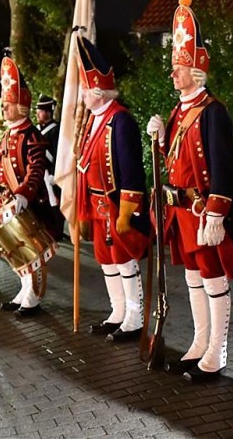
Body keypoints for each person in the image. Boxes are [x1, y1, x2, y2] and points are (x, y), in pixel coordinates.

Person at [145, 0, 233, 382]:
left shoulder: (213, 111)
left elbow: (222, 166)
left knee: (212, 278)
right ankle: (199, 341)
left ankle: (217, 352)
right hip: (180, 212)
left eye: (178, 68)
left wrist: (219, 212)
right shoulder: (179, 110)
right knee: (192, 276)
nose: (172, 75)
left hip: (203, 212)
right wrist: (157, 141)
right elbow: (174, 159)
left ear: (196, 71)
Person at [75, 35, 151, 341]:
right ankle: (117, 311)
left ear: (97, 90)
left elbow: (132, 170)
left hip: (116, 206)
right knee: (106, 261)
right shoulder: (94, 119)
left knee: (124, 260)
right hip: (96, 205)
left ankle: (134, 316)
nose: (81, 94)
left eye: (84, 89)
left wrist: (128, 211)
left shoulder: (120, 121)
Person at [0, 52, 56, 318]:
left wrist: (23, 194)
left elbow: (36, 169)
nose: (3, 109)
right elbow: (0, 168)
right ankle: (23, 290)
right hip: (10, 201)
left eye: (7, 105)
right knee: (15, 250)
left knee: (31, 251)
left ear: (21, 106)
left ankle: (33, 296)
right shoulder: (9, 134)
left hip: (30, 203)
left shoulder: (32, 134)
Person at [35, 94, 64, 238]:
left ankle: (57, 231)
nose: (37, 114)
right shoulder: (36, 130)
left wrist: (54, 173)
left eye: (40, 111)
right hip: (39, 174)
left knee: (55, 203)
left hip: (51, 173)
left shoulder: (56, 130)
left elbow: (59, 153)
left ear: (48, 112)